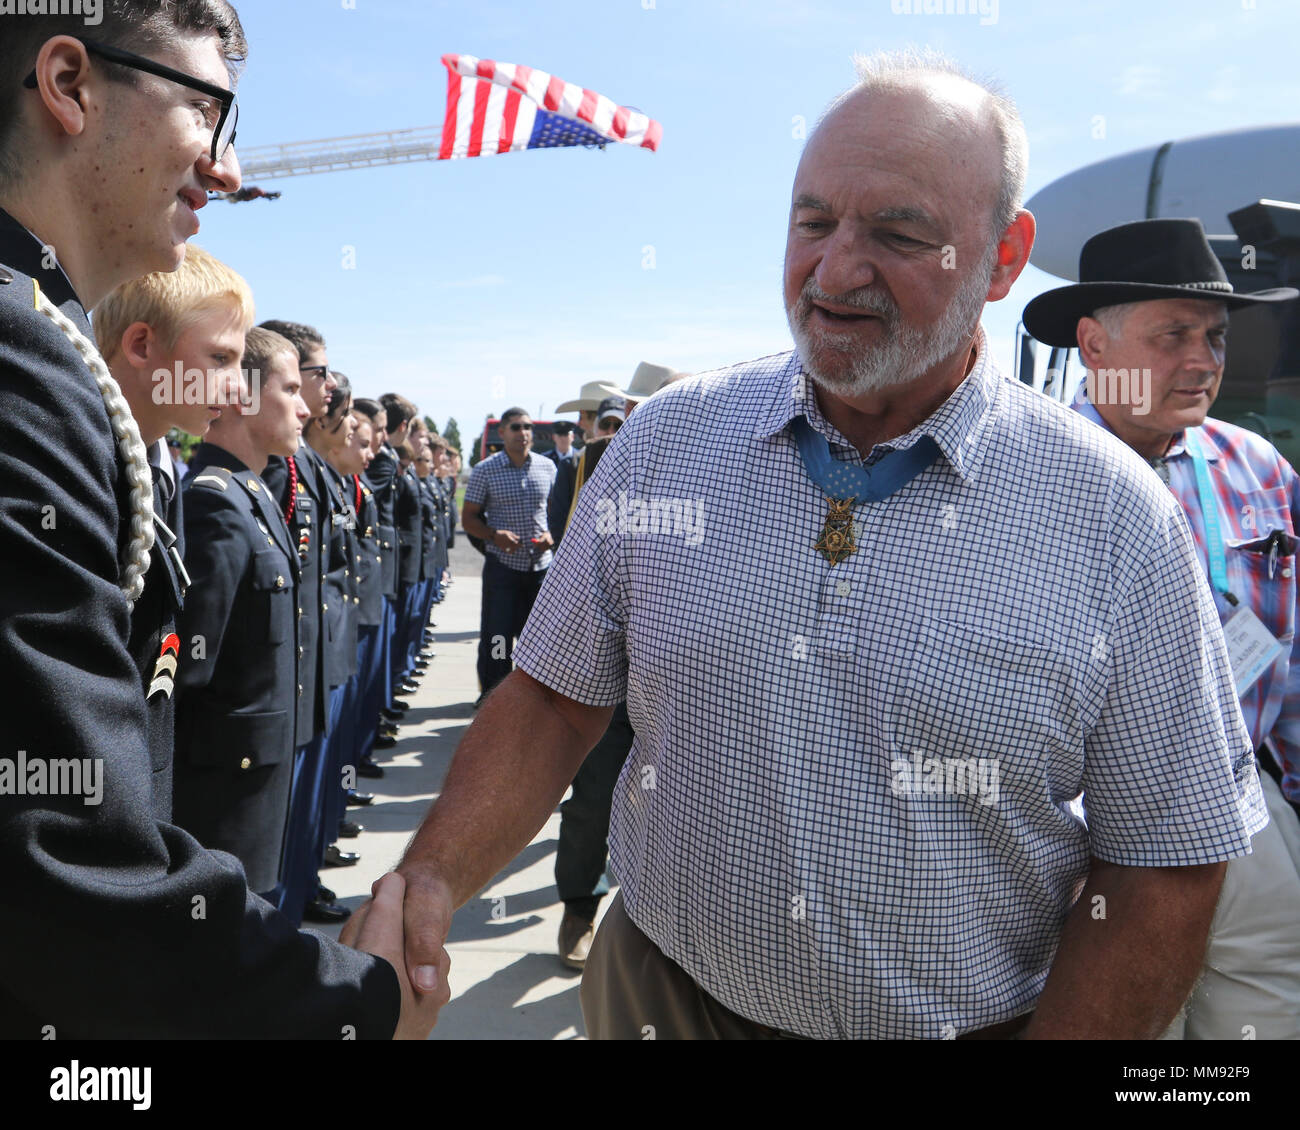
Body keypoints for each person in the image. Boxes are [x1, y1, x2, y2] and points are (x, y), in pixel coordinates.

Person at [375, 50, 1264, 1041]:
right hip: (657, 1000)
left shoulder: (1116, 518)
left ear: (1005, 257)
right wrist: (429, 876)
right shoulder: (666, 443)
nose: (835, 272)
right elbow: (550, 696)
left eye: (898, 231)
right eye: (812, 221)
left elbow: (1165, 859)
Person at [0, 4, 438, 1038]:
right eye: (209, 114)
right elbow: (59, 852)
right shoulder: (23, 368)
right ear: (69, 85)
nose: (229, 172)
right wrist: (352, 1004)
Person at [1023, 217, 1300, 1039]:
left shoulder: (1257, 467)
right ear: (1093, 344)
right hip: (1087, 838)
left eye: (1213, 337)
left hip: (1253, 814)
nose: (1205, 360)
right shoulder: (1021, 474)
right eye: (1174, 333)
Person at [92, 243, 254, 814]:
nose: (239, 389)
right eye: (220, 359)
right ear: (141, 345)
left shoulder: (157, 472)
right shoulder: (88, 470)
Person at [173, 327, 306, 896]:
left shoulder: (251, 493)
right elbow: (186, 675)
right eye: (290, 389)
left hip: (256, 780)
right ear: (244, 397)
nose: (304, 407)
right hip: (223, 792)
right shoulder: (214, 500)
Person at [257, 320, 354, 924]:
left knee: (306, 811)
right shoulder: (278, 468)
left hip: (317, 659)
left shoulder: (306, 467)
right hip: (291, 670)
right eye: (314, 373)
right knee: (282, 828)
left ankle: (295, 906)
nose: (323, 385)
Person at [461, 406, 557, 704]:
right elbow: (469, 519)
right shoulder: (485, 470)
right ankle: (494, 696)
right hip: (503, 568)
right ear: (501, 433)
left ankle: (531, 698)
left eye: (527, 427)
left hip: (540, 569)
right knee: (498, 638)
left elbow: (556, 513)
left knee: (537, 638)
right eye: (516, 427)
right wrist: (494, 535)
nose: (523, 433)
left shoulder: (548, 467)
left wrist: (550, 537)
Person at [544, 420, 579, 549]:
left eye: (566, 434)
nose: (563, 438)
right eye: (560, 435)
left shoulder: (582, 457)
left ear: (572, 437)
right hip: (552, 516)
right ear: (554, 437)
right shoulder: (545, 460)